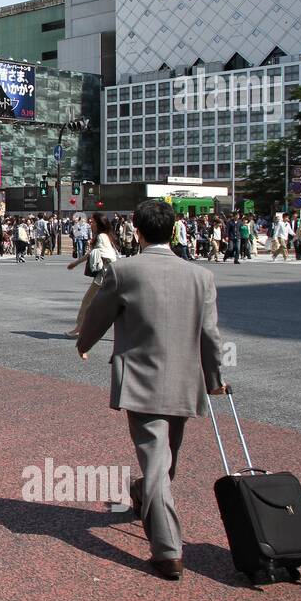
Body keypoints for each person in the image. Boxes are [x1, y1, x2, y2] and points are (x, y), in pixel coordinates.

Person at [75, 199, 227, 581]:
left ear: (138, 232)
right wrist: (215, 378)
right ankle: (146, 496)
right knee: (166, 457)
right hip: (184, 380)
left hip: (142, 380)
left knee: (158, 463)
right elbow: (210, 335)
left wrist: (84, 343)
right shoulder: (200, 277)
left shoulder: (125, 270)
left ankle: (168, 550)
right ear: (173, 229)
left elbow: (100, 314)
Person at [65, 212, 119, 337]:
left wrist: (77, 262)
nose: (90, 223)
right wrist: (76, 262)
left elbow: (108, 256)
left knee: (87, 301)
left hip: (104, 276)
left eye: (93, 221)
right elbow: (94, 253)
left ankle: (79, 328)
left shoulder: (101, 236)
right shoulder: (105, 235)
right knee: (110, 305)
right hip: (109, 275)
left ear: (99, 223)